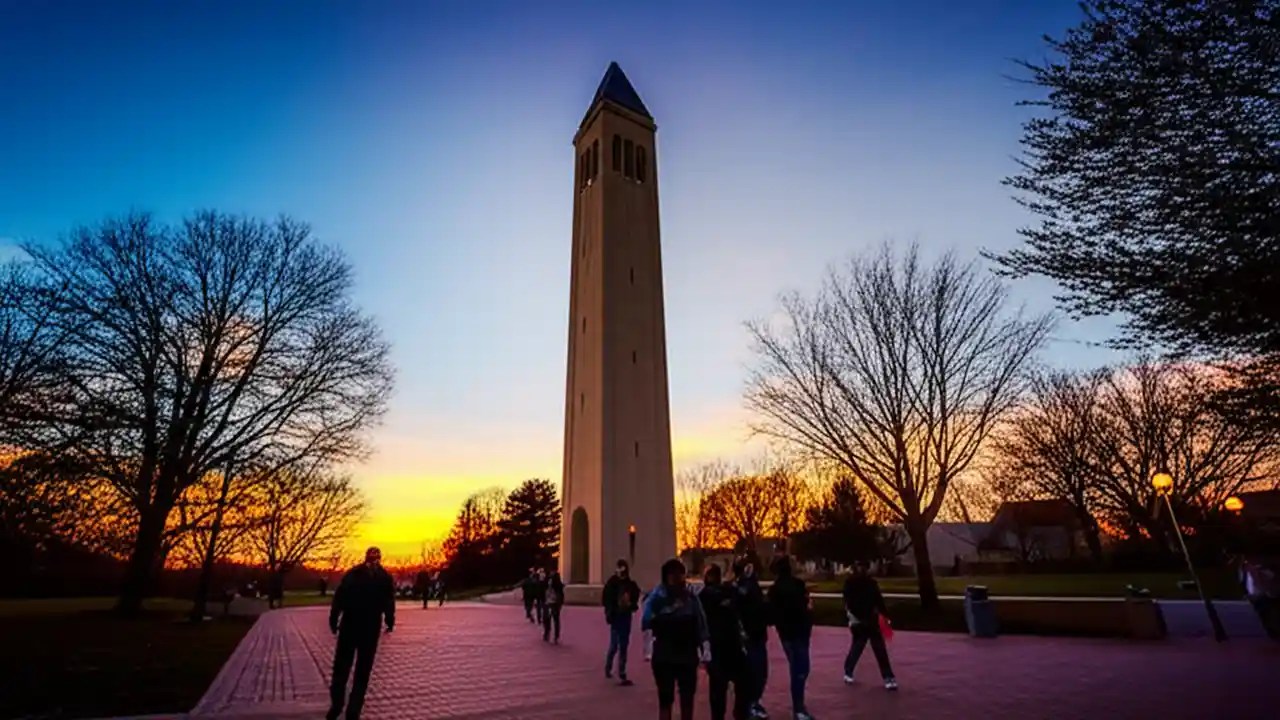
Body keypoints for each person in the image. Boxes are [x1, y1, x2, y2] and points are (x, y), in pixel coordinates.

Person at [327, 547, 396, 720]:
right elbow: (389, 602)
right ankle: (352, 710)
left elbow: (339, 598)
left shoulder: (353, 575)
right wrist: (389, 620)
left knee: (342, 669)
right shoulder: (384, 578)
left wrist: (334, 619)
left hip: (351, 625)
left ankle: (338, 705)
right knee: (361, 672)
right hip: (369, 628)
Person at [642, 558, 710, 720]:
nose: (679, 579)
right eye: (675, 576)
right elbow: (646, 622)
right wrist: (648, 647)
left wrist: (705, 647)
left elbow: (701, 623)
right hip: (665, 655)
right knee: (666, 699)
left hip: (685, 655)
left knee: (686, 698)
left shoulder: (690, 598)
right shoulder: (657, 597)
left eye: (680, 575)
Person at [700, 564, 752, 720]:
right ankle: (740, 713)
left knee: (718, 690)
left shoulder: (706, 595)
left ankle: (725, 715)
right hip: (730, 646)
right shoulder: (728, 592)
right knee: (740, 684)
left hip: (719, 647)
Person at [767, 555, 815, 720]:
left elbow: (771, 613)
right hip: (798, 632)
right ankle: (798, 708)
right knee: (800, 669)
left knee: (798, 668)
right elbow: (806, 604)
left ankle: (799, 706)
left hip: (788, 633)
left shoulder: (775, 589)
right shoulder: (796, 586)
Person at [841, 560, 898, 690]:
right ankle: (888, 677)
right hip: (868, 619)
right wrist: (885, 615)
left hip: (861, 619)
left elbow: (848, 602)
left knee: (859, 646)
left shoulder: (850, 583)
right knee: (877, 648)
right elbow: (878, 600)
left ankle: (848, 671)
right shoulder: (870, 583)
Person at [732, 557, 769, 720]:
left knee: (761, 672)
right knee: (753, 673)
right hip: (749, 637)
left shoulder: (751, 587)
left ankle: (753, 702)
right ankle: (749, 705)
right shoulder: (740, 588)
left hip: (758, 635)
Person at [603, 559, 642, 684]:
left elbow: (636, 596)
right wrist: (609, 613)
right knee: (614, 645)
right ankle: (608, 667)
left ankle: (622, 672)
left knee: (624, 645)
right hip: (616, 617)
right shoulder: (612, 583)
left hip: (625, 617)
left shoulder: (630, 584)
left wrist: (632, 605)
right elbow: (606, 599)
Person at [543, 570, 566, 643]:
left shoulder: (557, 585)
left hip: (553, 603)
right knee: (547, 619)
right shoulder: (547, 582)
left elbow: (561, 595)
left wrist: (559, 603)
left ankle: (554, 635)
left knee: (554, 619)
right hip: (548, 602)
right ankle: (548, 633)